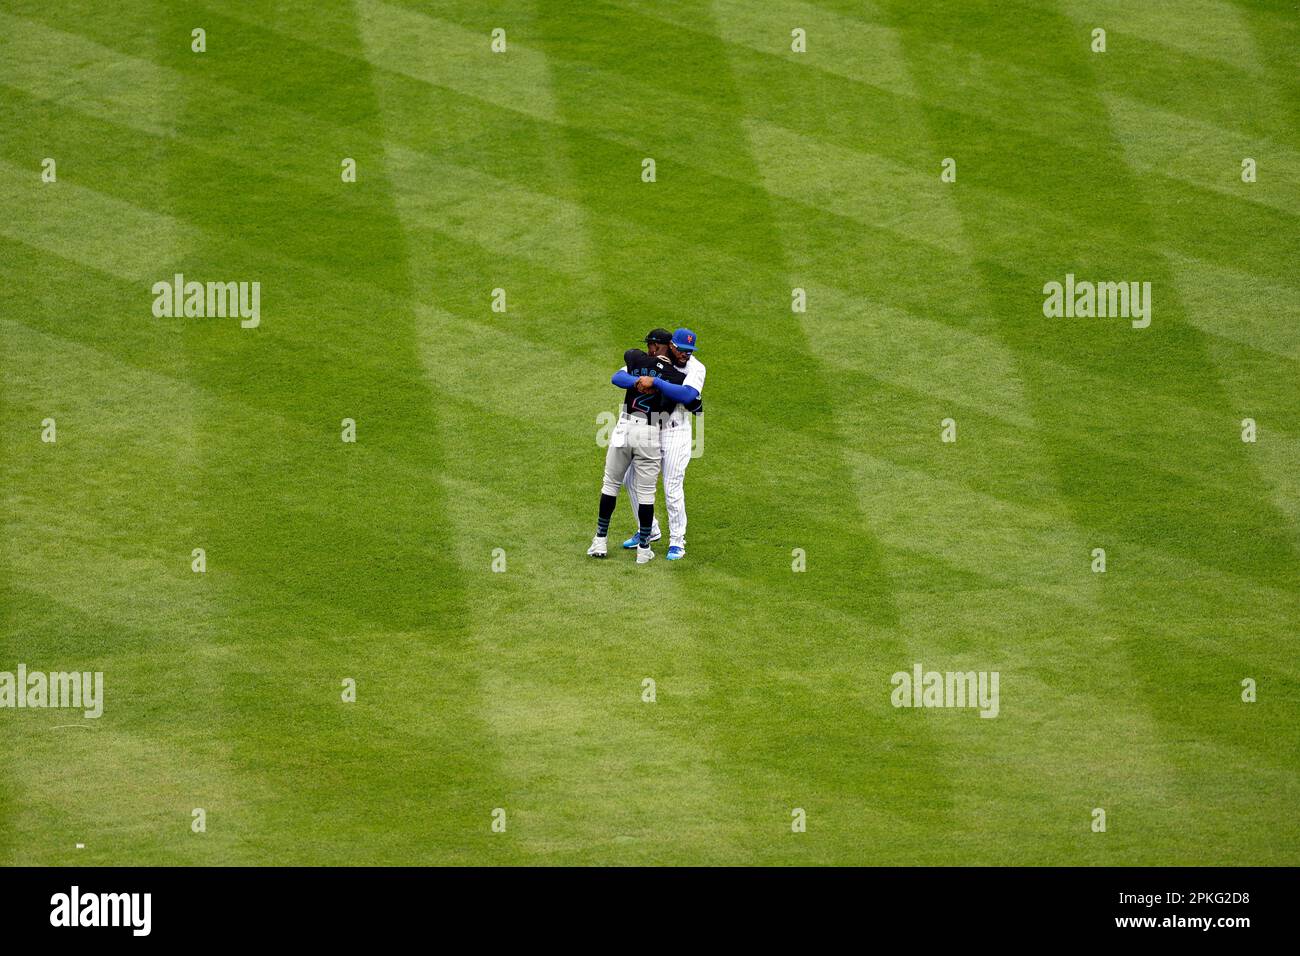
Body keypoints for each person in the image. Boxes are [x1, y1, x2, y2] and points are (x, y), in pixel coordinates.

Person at [620, 328, 705, 560]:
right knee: (630, 478)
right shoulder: (652, 358)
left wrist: (655, 382)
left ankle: (678, 542)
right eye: (681, 350)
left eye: (690, 351)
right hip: (650, 429)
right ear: (670, 345)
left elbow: (688, 396)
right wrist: (639, 380)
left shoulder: (696, 368)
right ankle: (649, 529)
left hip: (676, 433)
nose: (685, 355)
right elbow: (619, 376)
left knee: (671, 487)